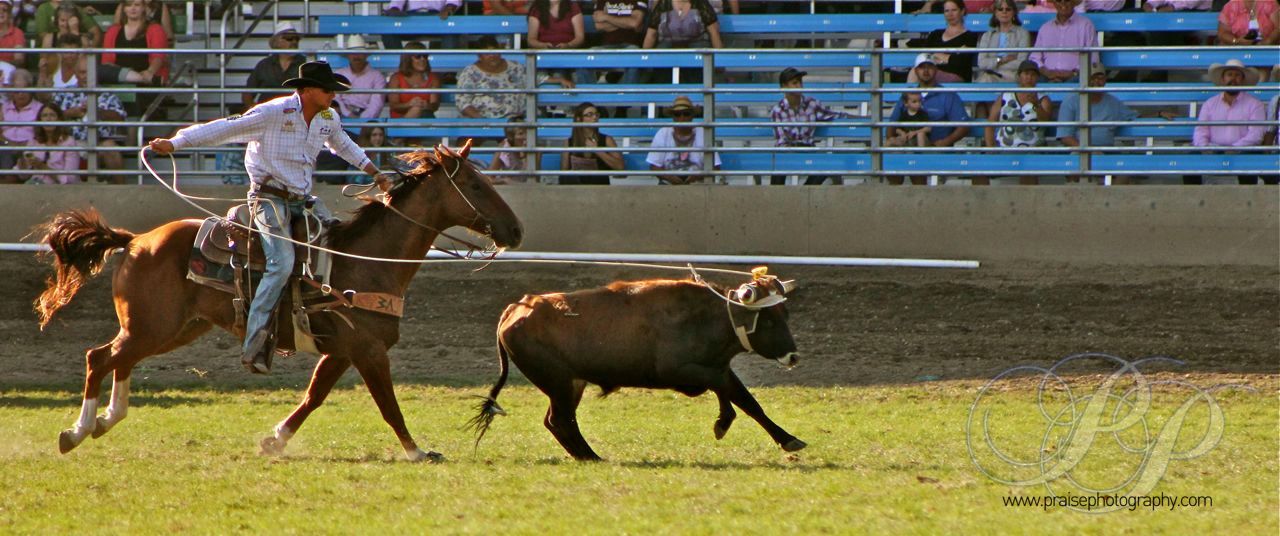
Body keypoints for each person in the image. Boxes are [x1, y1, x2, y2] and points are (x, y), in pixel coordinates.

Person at [147, 61, 397, 374]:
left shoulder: (327, 117)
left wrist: (374, 172)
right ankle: (257, 342)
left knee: (337, 242)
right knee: (280, 262)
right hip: (268, 199)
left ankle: (320, 314)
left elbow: (342, 144)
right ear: (306, 90)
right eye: (326, 88)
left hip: (303, 200)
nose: (332, 94)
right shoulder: (271, 113)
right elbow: (225, 128)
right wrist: (176, 142)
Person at [1056, 68, 1178, 184]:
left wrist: (1158, 113)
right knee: (1075, 163)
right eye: (1092, 78)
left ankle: (1111, 200)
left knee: (1125, 167)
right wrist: (1090, 150)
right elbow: (1065, 136)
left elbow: (1135, 117)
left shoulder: (1112, 102)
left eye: (1100, 78)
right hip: (1079, 150)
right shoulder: (1071, 100)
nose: (1096, 82)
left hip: (1107, 151)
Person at [47, 34, 128, 180]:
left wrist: (98, 112)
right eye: (82, 73)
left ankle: (122, 191)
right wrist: (69, 113)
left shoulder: (107, 94)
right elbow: (48, 118)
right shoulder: (63, 94)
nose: (86, 76)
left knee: (111, 147)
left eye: (89, 72)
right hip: (69, 141)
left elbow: (119, 119)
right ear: (76, 74)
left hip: (99, 141)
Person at [886, 54, 972, 186]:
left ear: (936, 70)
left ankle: (919, 198)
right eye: (921, 67)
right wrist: (892, 139)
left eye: (929, 67)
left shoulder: (948, 95)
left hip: (934, 148)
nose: (925, 71)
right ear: (915, 71)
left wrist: (944, 142)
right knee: (889, 155)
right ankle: (894, 197)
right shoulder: (907, 95)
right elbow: (892, 122)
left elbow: (964, 126)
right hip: (908, 144)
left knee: (918, 157)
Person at [1188, 59, 1270, 185]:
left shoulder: (1255, 104)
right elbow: (1200, 131)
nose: (1233, 79)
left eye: (1237, 75)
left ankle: (1248, 200)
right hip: (1214, 149)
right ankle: (1191, 200)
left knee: (1250, 156)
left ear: (1242, 80)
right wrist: (1205, 147)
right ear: (1223, 79)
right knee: (1191, 157)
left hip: (1243, 150)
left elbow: (1256, 135)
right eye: (1230, 75)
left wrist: (1235, 148)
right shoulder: (1210, 104)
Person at [768, 67, 852, 186]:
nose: (799, 86)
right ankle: (776, 200)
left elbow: (834, 115)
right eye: (795, 83)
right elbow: (781, 141)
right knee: (778, 164)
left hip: (808, 148)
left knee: (826, 165)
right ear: (784, 86)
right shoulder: (777, 110)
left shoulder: (812, 104)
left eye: (800, 82)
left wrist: (860, 118)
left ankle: (804, 193)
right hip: (788, 150)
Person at [456, 36, 573, 120]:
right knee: (465, 144)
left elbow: (535, 77)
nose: (492, 56)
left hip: (514, 121)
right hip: (482, 121)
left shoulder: (514, 66)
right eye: (487, 53)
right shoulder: (470, 72)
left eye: (494, 52)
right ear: (480, 56)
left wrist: (560, 80)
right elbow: (462, 102)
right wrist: (482, 120)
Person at [983, 60, 1052, 185]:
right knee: (976, 170)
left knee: (1029, 167)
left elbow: (1045, 122)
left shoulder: (1043, 98)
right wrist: (990, 148)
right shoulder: (1005, 96)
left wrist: (1036, 105)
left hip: (1033, 148)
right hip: (1004, 147)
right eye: (1026, 74)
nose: (1029, 78)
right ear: (1019, 76)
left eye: (1033, 75)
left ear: (1037, 78)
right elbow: (990, 123)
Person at [642, 0, 723, 83]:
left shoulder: (700, 3)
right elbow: (651, 34)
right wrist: (643, 59)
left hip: (697, 43)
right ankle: (664, 89)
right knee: (661, 56)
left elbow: (714, 33)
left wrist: (720, 60)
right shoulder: (663, 4)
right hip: (667, 44)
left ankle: (696, 90)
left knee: (699, 56)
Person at [646, 95, 719, 184]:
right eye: (677, 114)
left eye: (686, 114)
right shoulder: (663, 133)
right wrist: (669, 177)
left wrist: (698, 175)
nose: (682, 118)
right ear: (673, 117)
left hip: (698, 184)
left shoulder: (704, 133)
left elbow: (715, 166)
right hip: (668, 184)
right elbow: (654, 166)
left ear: (692, 116)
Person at [906, 0, 980, 83]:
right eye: (946, 11)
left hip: (957, 76)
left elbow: (961, 63)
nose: (950, 14)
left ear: (962, 11)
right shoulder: (935, 34)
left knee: (918, 73)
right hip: (932, 72)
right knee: (917, 71)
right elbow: (924, 57)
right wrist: (949, 57)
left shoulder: (970, 36)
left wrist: (936, 55)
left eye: (954, 10)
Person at [1028, 0, 1099, 83]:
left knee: (1081, 81)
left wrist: (1074, 73)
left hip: (1076, 77)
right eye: (1059, 1)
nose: (1063, 4)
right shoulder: (1045, 28)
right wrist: (1046, 72)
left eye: (1067, 0)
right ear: (1054, 3)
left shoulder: (1086, 26)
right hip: (1046, 76)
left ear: (1074, 3)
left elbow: (1093, 58)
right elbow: (1034, 58)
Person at [243, 22, 305, 112]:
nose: (294, 42)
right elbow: (248, 93)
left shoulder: (305, 64)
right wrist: (253, 110)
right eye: (289, 38)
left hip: (295, 113)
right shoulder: (264, 65)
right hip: (267, 113)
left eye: (296, 39)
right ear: (277, 42)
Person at [587, 0, 647, 87]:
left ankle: (627, 94)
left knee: (634, 54)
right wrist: (626, 21)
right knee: (586, 56)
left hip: (630, 45)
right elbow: (599, 26)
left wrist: (606, 17)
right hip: (606, 47)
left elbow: (634, 23)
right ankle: (590, 95)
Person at [561, 102, 623, 185]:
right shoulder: (569, 142)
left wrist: (598, 151)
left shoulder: (607, 140)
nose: (594, 117)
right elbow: (563, 173)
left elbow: (620, 167)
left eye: (596, 114)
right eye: (589, 114)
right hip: (576, 189)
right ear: (579, 119)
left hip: (599, 189)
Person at [21, 103, 80, 184]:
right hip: (35, 185)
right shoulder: (33, 142)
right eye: (44, 116)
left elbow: (69, 179)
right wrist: (22, 164)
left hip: (58, 189)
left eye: (52, 115)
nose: (48, 119)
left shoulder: (69, 142)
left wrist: (42, 167)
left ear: (59, 119)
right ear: (40, 120)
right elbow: (23, 176)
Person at [974, 0, 1030, 83]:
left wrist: (994, 65)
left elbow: (1021, 62)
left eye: (1008, 9)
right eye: (1000, 9)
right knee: (985, 79)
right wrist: (1001, 60)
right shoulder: (987, 35)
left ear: (1014, 12)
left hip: (1012, 74)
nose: (1004, 12)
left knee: (986, 79)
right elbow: (981, 63)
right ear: (995, 13)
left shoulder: (1023, 34)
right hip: (989, 74)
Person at [333, 35, 386, 121]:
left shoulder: (377, 76)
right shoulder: (339, 74)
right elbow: (335, 99)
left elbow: (377, 104)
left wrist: (362, 120)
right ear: (348, 56)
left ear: (366, 55)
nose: (356, 56)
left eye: (359, 52)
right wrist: (348, 114)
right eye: (353, 53)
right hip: (340, 117)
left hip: (367, 120)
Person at [0, 69, 41, 180]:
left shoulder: (39, 108)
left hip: (29, 147)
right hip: (6, 145)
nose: (21, 94)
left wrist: (26, 145)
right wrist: (9, 143)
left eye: (24, 90)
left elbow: (41, 135)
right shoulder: (3, 108)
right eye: (17, 91)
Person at [387, 41, 440, 120]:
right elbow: (393, 105)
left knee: (424, 112)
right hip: (400, 120)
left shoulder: (433, 78)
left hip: (424, 116)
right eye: (418, 56)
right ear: (408, 59)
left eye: (425, 56)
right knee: (418, 109)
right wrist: (409, 104)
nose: (422, 59)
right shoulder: (396, 78)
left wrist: (426, 105)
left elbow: (434, 105)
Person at [381, 0, 461, 50]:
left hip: (437, 16)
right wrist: (394, 9)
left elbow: (453, 1)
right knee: (387, 28)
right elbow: (396, 3)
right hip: (411, 16)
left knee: (451, 29)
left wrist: (449, 8)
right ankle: (400, 65)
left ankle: (447, 74)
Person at [489, 115, 536, 184]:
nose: (525, 137)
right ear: (511, 136)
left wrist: (526, 155)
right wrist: (504, 180)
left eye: (527, 133)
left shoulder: (535, 149)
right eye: (521, 133)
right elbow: (488, 178)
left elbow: (535, 178)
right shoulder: (504, 148)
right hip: (507, 189)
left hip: (527, 189)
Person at [34, 0, 100, 46]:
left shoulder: (77, 9)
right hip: (54, 48)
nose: (66, 24)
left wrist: (91, 54)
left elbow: (96, 32)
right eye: (62, 20)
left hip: (77, 47)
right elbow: (42, 35)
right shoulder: (43, 8)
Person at [0, 0, 26, 68]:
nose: (1, 12)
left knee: (21, 75)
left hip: (11, 68)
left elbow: (18, 59)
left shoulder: (17, 32)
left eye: (4, 10)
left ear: (9, 14)